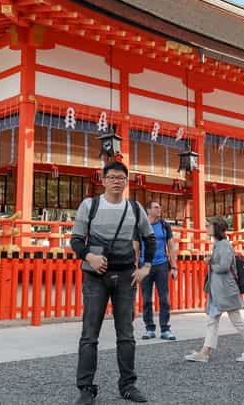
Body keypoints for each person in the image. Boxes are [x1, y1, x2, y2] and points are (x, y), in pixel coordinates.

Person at [69, 161, 156, 405]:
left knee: (126, 334)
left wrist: (146, 267)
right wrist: (90, 257)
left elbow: (149, 239)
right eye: (112, 177)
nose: (117, 181)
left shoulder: (134, 208)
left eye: (121, 178)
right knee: (89, 334)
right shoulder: (90, 205)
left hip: (126, 275)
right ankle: (86, 388)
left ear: (126, 181)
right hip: (95, 276)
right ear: (103, 180)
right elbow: (76, 240)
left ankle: (127, 385)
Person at [185, 216, 244, 363]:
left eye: (209, 225)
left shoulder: (224, 245)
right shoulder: (219, 244)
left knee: (236, 320)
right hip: (219, 290)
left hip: (226, 290)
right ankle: (205, 352)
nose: (207, 228)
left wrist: (210, 263)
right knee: (213, 321)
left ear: (216, 228)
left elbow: (224, 266)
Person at [137, 200, 178, 340]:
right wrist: (135, 267)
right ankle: (149, 328)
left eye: (159, 207)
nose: (159, 209)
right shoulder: (140, 226)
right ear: (148, 210)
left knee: (164, 298)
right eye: (155, 207)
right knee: (146, 299)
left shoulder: (165, 225)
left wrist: (174, 267)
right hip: (145, 265)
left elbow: (171, 246)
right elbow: (135, 248)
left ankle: (165, 329)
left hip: (162, 265)